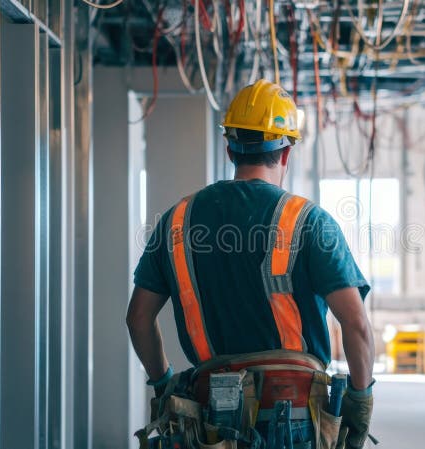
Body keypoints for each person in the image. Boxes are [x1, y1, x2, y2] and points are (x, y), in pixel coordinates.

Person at [126, 79, 375, 449]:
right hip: (294, 418)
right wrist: (359, 399)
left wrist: (163, 385)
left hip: (209, 420)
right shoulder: (310, 222)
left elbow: (138, 318)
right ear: (286, 152)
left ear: (230, 149)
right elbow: (356, 325)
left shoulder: (176, 221)